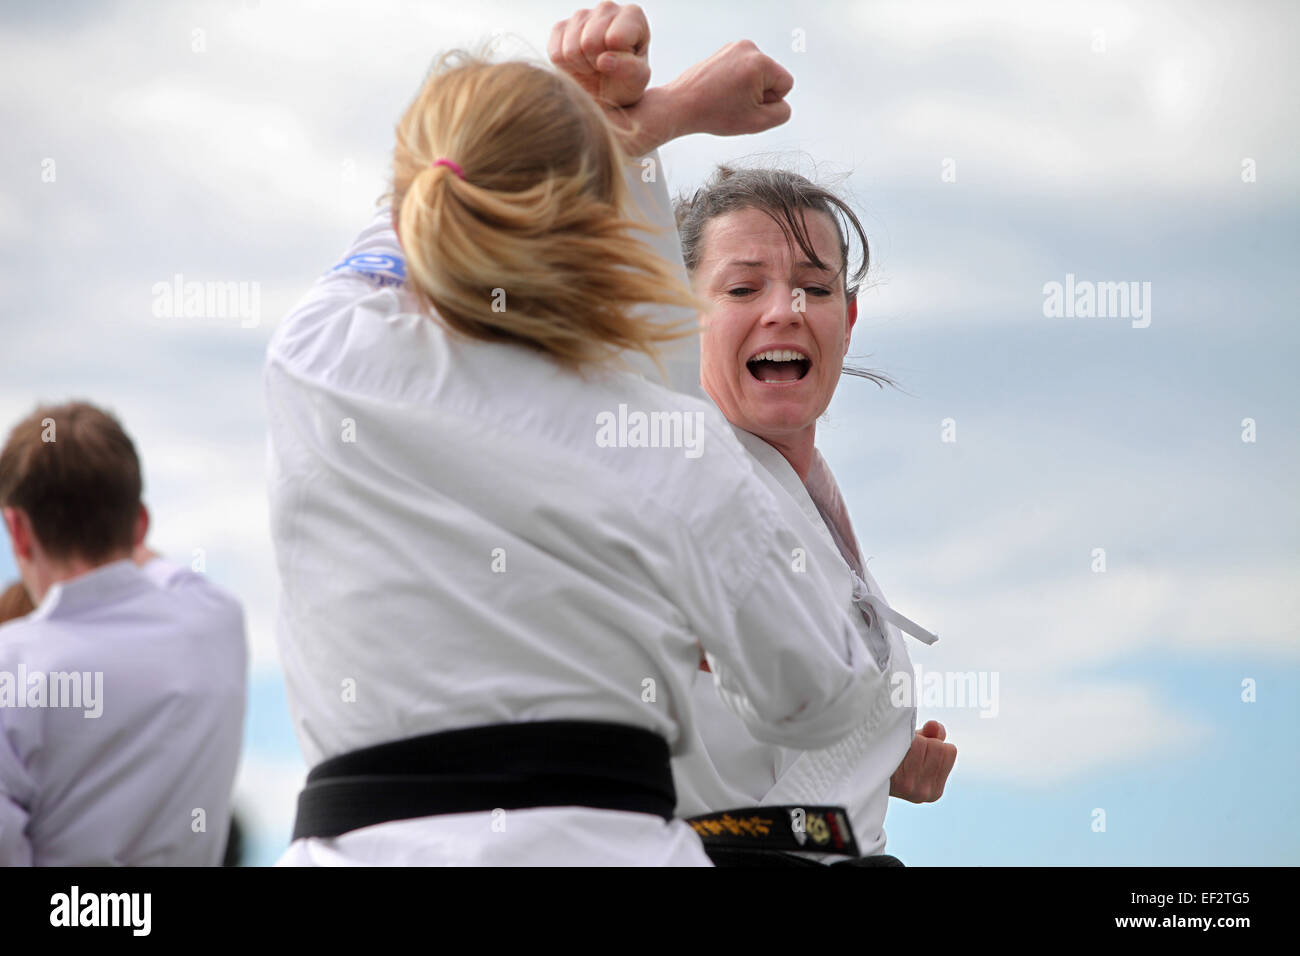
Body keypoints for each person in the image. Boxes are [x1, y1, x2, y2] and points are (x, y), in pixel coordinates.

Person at [269, 18, 896, 866]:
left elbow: (439, 186)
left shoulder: (321, 353)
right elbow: (820, 701)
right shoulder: (672, 442)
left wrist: (642, 120)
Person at [549, 3, 958, 865]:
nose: (785, 309)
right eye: (741, 290)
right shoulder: (665, 443)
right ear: (679, 314)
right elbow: (620, 242)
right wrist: (611, 116)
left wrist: (883, 755)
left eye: (814, 287)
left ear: (848, 318)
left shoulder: (808, 504)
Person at [0, 401, 247, 865]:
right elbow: (161, 569)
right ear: (141, 522)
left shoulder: (11, 666)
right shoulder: (216, 623)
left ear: (16, 529)